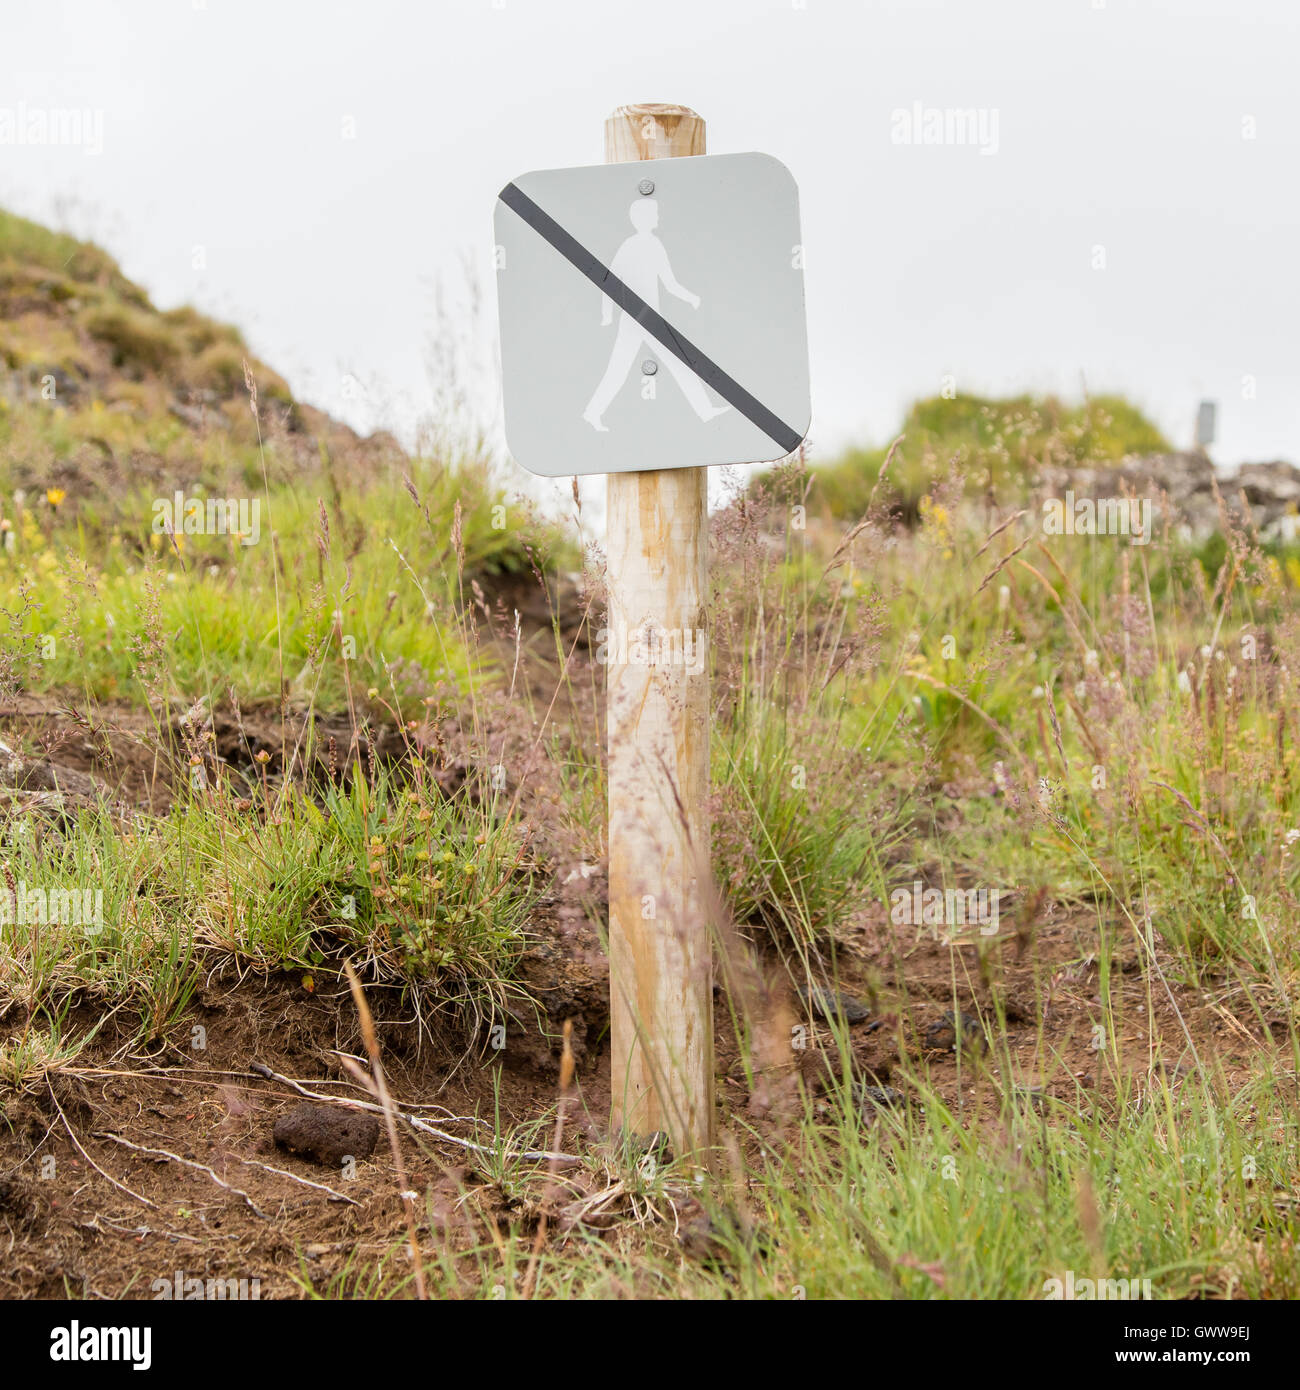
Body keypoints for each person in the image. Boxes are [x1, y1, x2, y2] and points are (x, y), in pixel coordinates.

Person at [583, 199, 731, 432]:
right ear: (642, 218)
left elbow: (670, 284)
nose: (658, 218)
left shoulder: (654, 244)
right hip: (636, 320)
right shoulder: (630, 245)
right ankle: (592, 413)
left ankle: (705, 411)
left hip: (651, 319)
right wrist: (606, 315)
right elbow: (609, 281)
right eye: (655, 214)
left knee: (676, 364)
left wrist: (692, 298)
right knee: (623, 369)